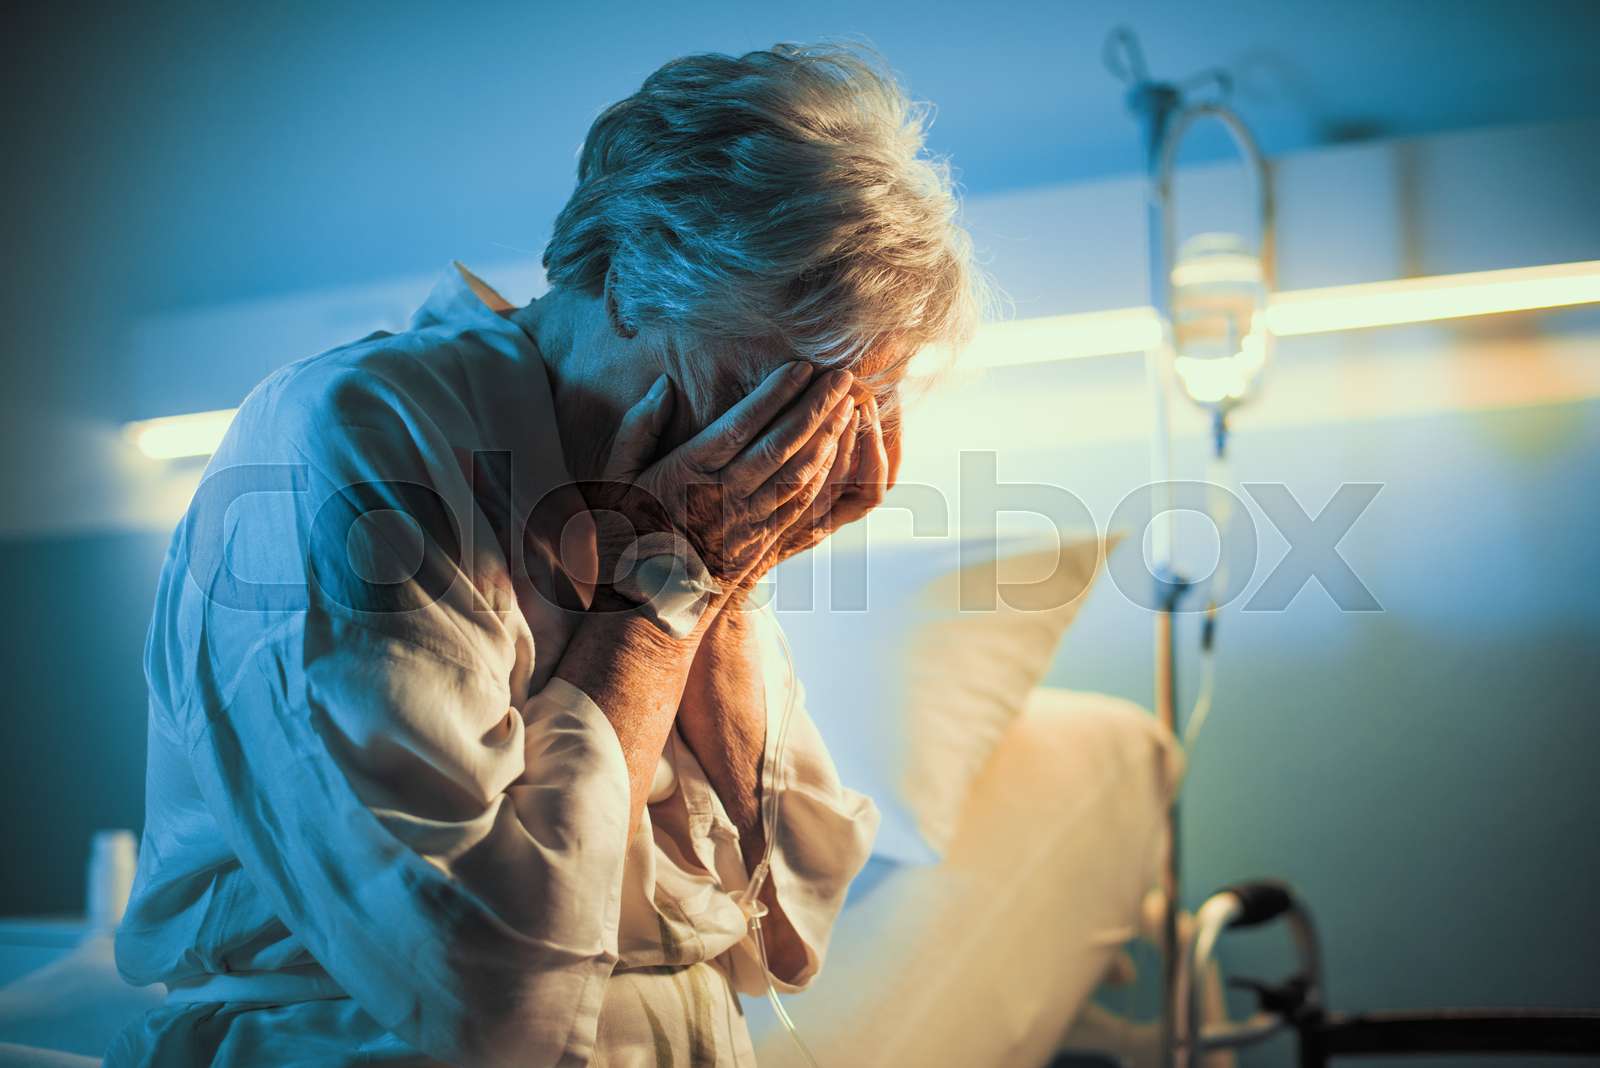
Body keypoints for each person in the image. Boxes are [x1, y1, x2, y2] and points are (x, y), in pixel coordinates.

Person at [111, 42, 983, 1067]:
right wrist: (661, 596)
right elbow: (489, 983)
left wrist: (728, 585)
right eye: (761, 391)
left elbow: (778, 928)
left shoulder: (694, 498)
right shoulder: (357, 433)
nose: (785, 449)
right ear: (621, 274)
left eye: (832, 411)